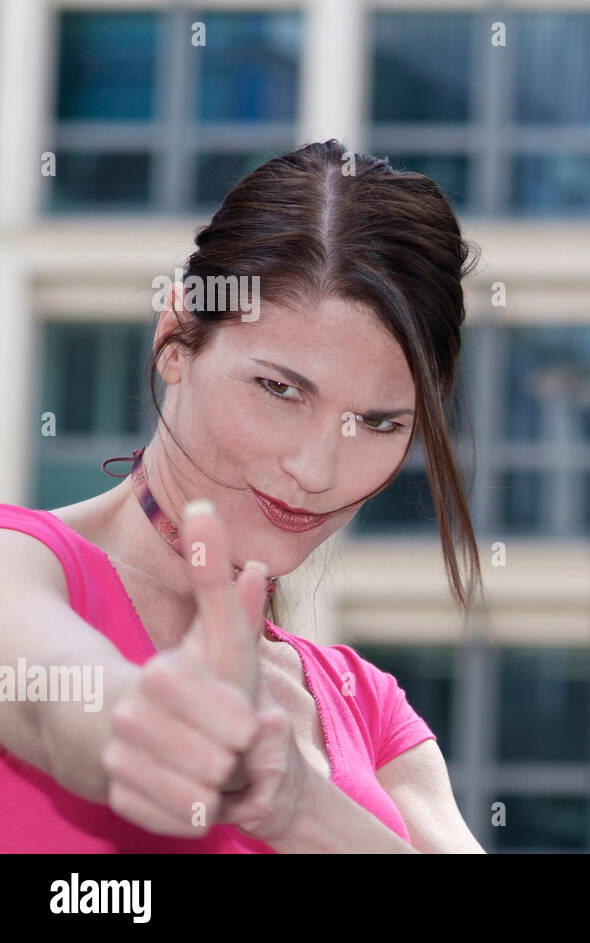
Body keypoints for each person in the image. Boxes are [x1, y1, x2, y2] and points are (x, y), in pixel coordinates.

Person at [0, 140, 485, 853]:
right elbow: (53, 696)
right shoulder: (20, 570)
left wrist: (300, 806)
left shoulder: (367, 708)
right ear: (176, 338)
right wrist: (140, 723)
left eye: (378, 422)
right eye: (280, 389)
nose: (318, 469)